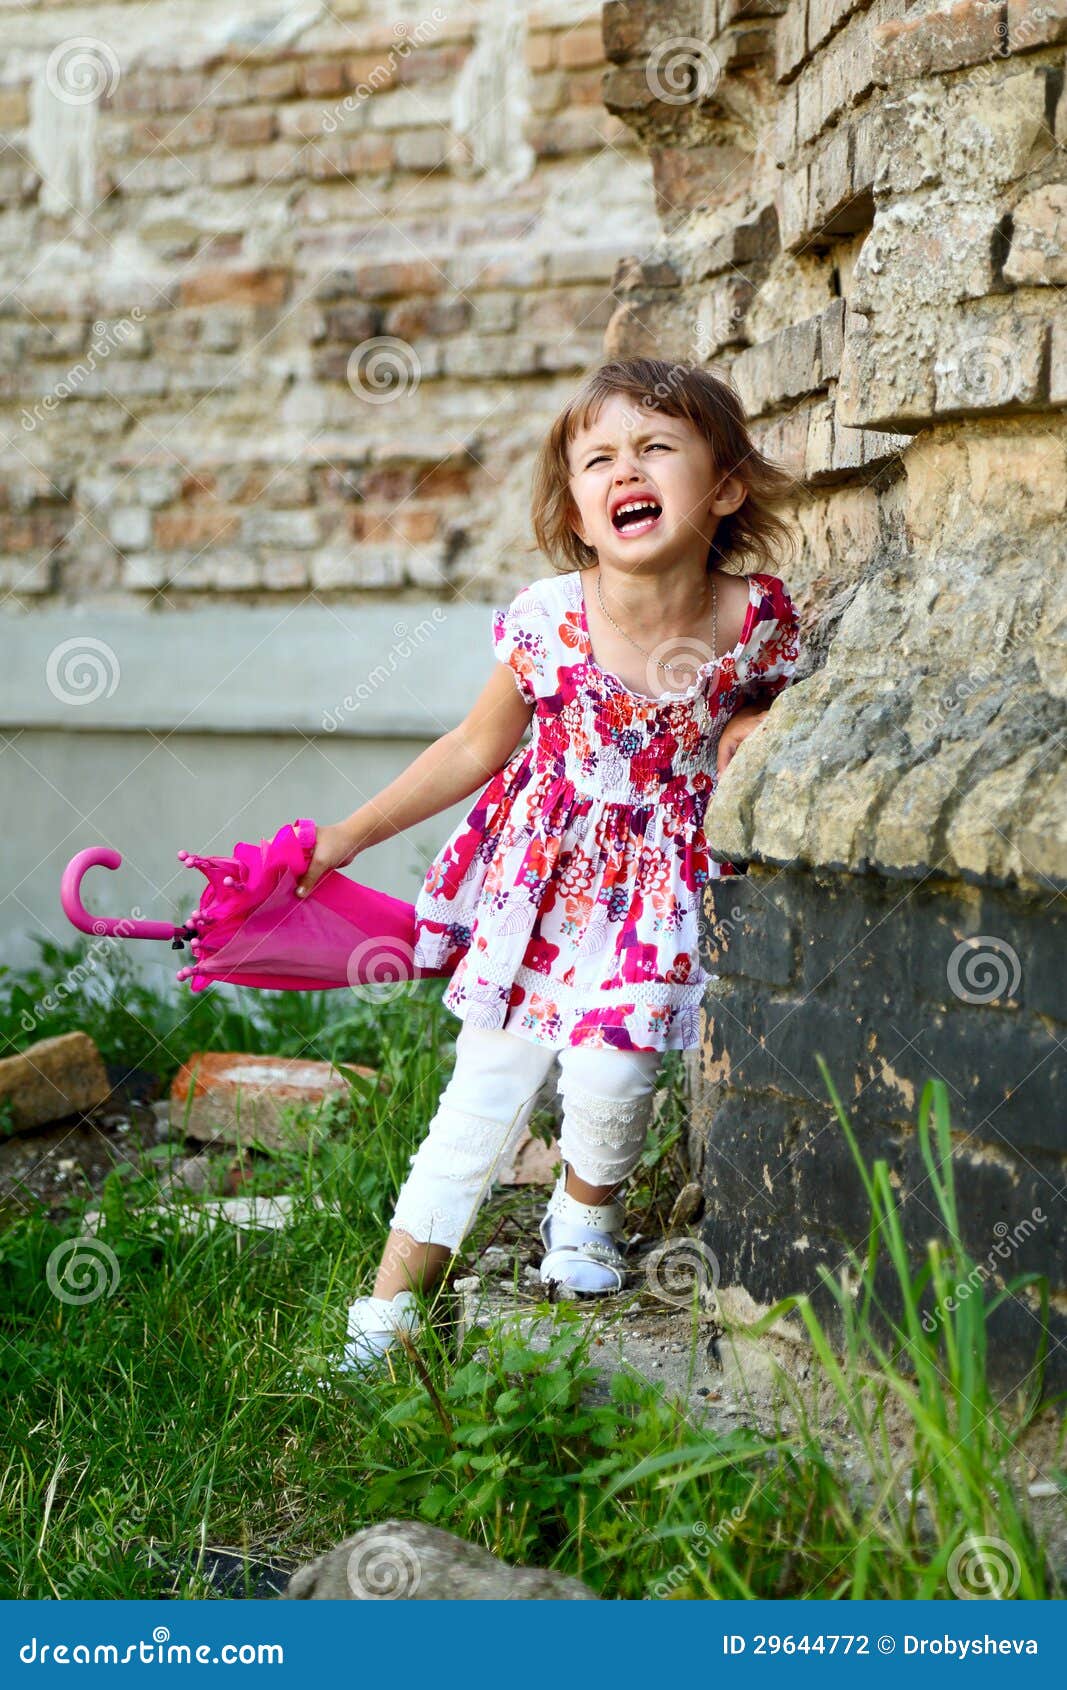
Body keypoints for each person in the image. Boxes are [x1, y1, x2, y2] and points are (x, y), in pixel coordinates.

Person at [294, 356, 802, 1373]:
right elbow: (473, 750)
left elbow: (780, 704)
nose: (628, 470)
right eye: (599, 458)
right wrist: (344, 835)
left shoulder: (753, 618)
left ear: (725, 485)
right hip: (542, 885)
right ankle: (387, 1311)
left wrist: (756, 720)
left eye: (657, 449)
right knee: (484, 1092)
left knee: (616, 1069)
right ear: (575, 506)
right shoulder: (546, 620)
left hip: (661, 882)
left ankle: (583, 1217)